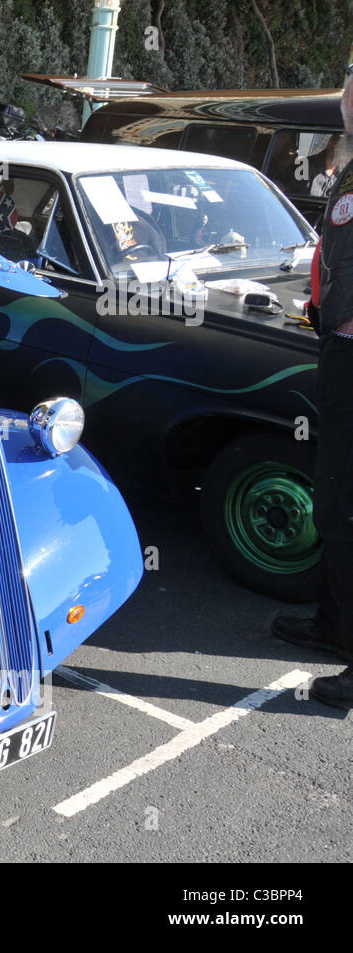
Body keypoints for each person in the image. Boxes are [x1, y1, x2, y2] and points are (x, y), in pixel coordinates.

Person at [272, 54, 353, 709]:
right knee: (334, 499)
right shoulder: (349, 168)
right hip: (340, 352)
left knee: (347, 508)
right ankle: (333, 624)